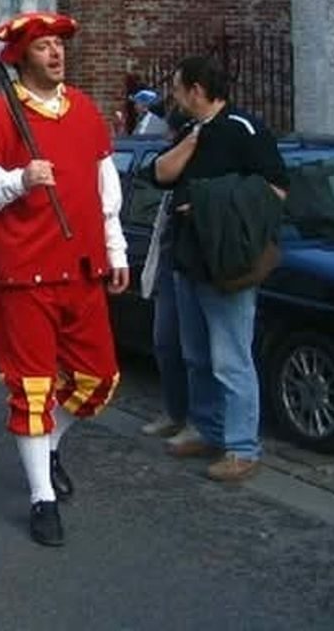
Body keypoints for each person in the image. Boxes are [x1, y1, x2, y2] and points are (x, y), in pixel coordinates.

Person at [0, 12, 128, 548]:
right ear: (20, 57)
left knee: (98, 380)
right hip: (26, 273)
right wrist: (18, 180)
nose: (56, 54)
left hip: (83, 268)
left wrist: (116, 248)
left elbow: (105, 189)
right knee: (31, 389)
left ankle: (48, 445)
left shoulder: (85, 111)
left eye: (58, 45)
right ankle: (41, 497)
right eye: (43, 46)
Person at [153, 56, 288, 483]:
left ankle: (242, 446)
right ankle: (207, 428)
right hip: (188, 259)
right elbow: (160, 174)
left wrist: (211, 203)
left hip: (227, 263)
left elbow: (275, 190)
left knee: (231, 358)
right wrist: (190, 142)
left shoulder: (245, 130)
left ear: (196, 90)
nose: (174, 97)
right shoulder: (190, 131)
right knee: (195, 354)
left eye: (178, 88)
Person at [138, 109, 191, 439]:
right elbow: (150, 175)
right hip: (169, 262)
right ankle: (175, 412)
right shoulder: (168, 169)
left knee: (195, 350)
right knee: (167, 341)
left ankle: (193, 418)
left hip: (190, 263)